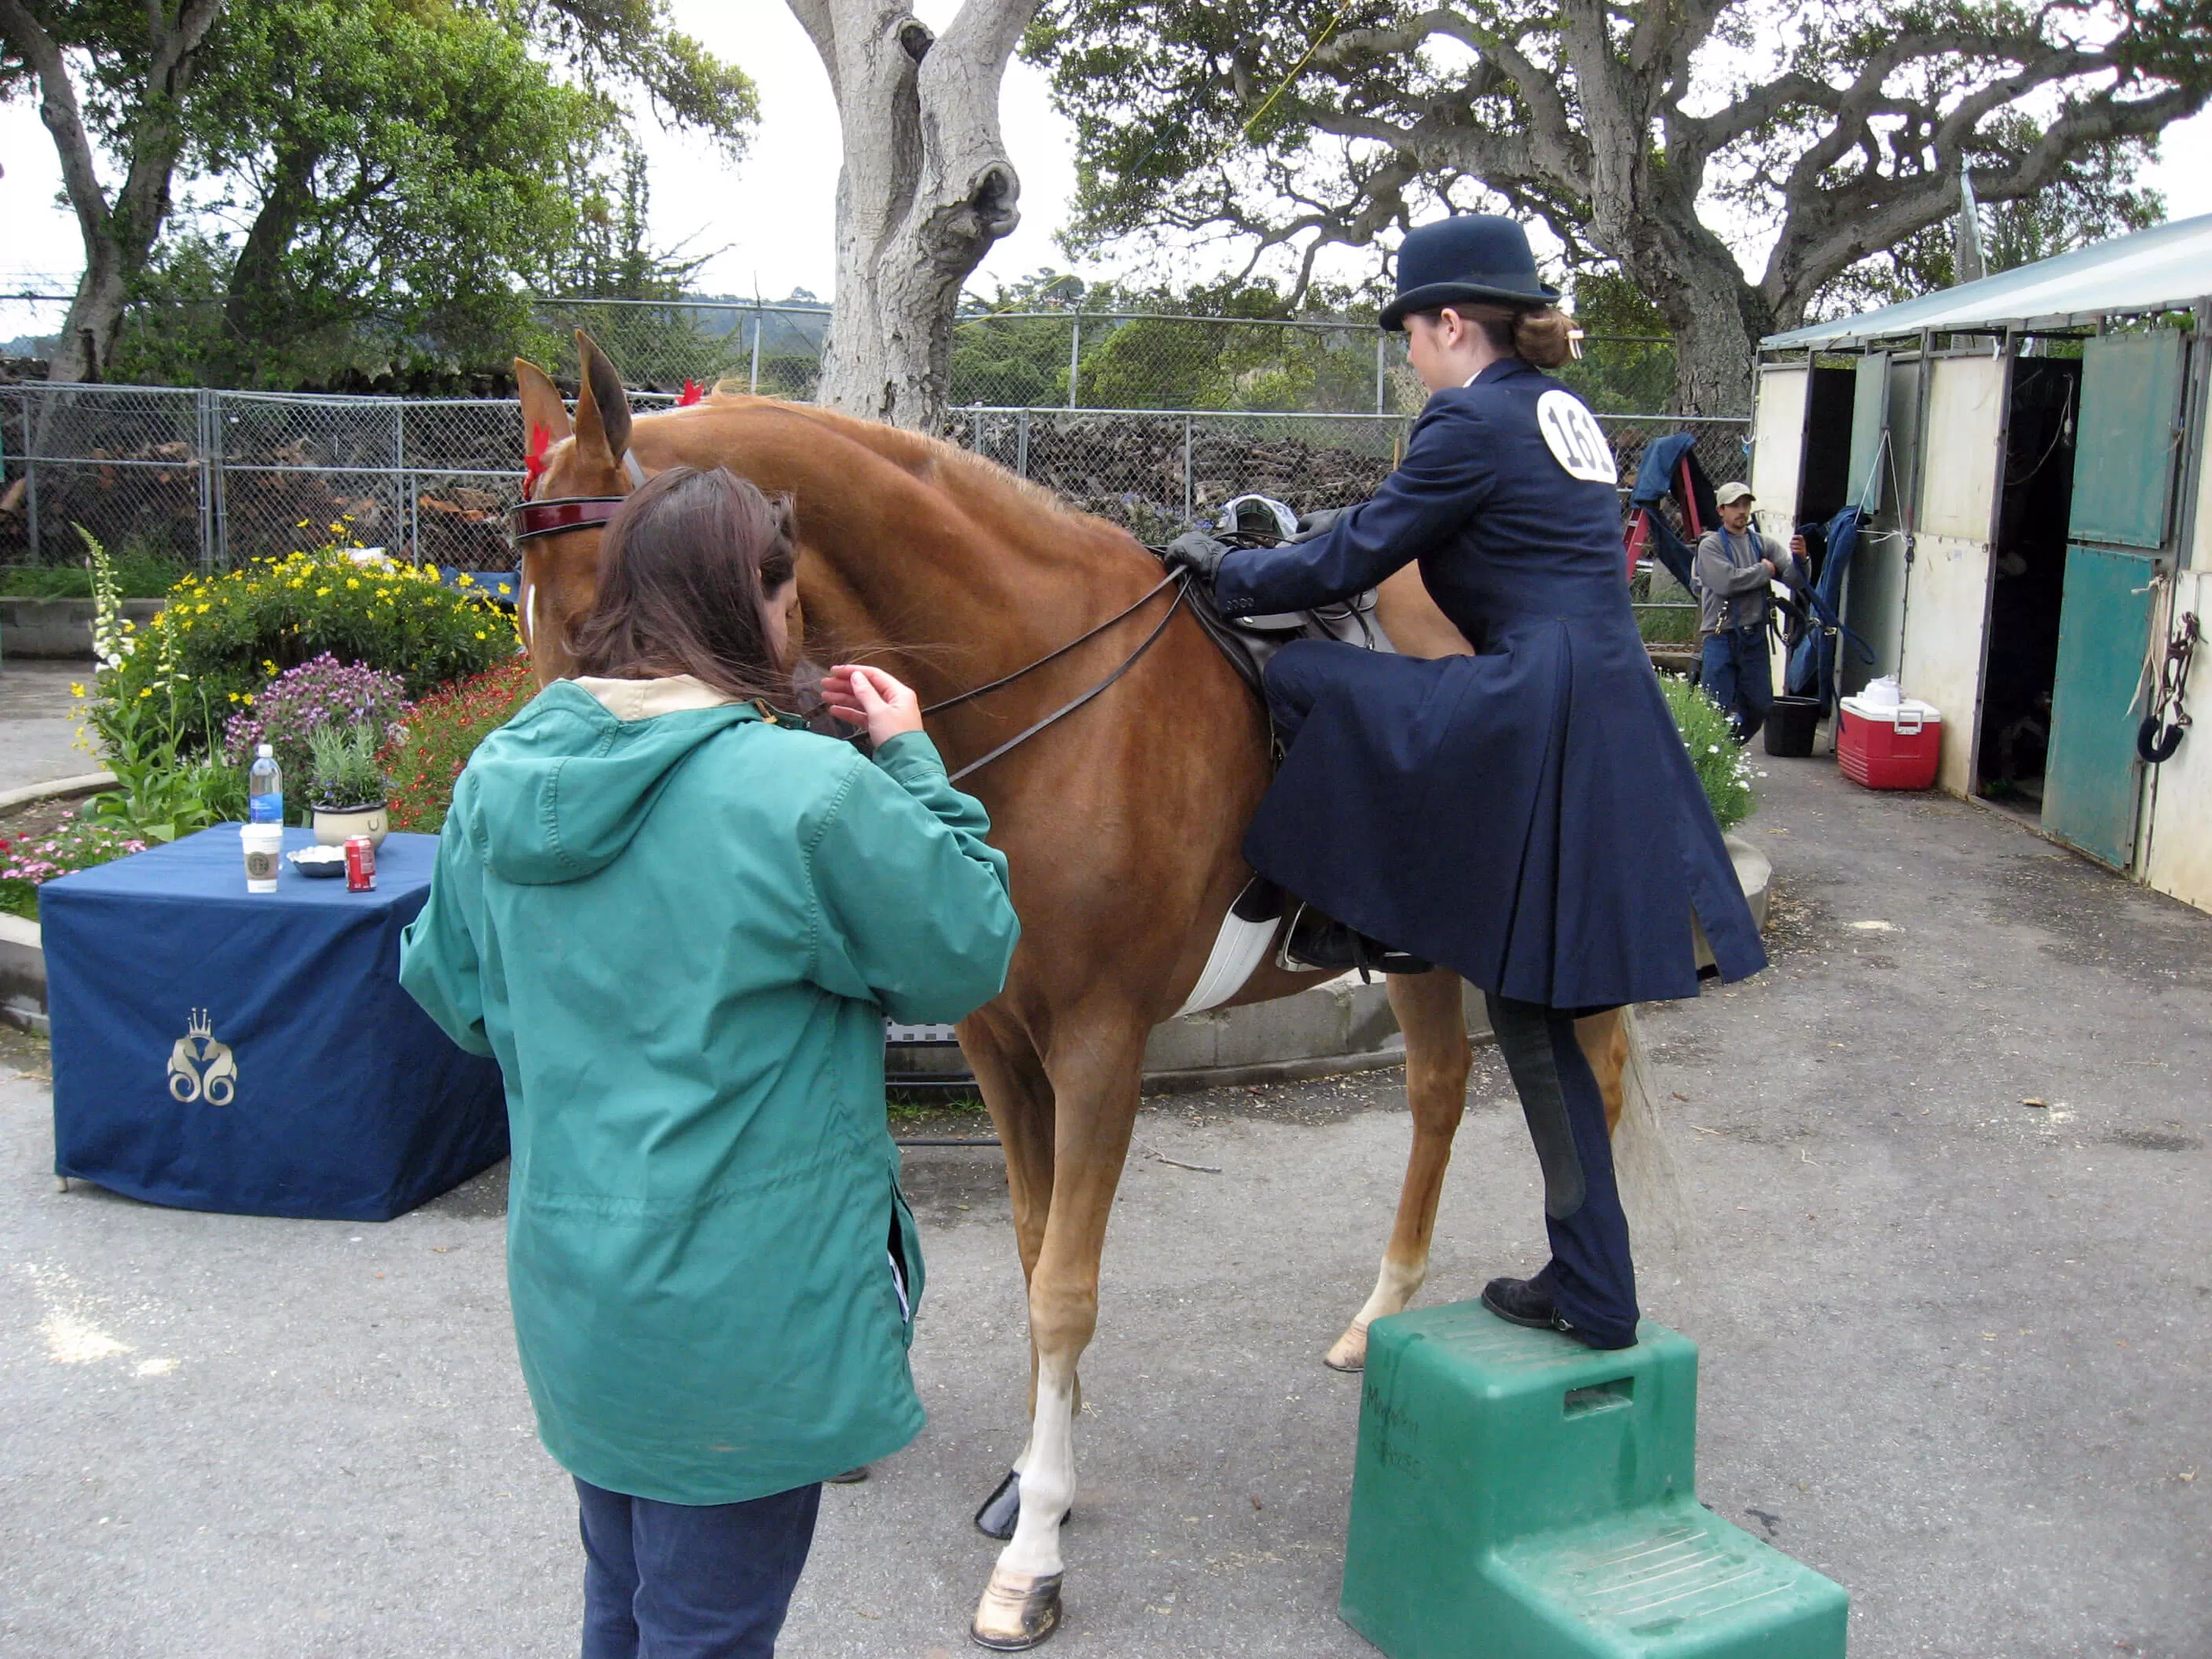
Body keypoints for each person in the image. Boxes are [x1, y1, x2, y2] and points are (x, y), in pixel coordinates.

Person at [398, 465, 1020, 1658]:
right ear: (761, 604)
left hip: (582, 1301)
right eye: (789, 601)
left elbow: (453, 994)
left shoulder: (495, 782)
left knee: (625, 1608)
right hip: (742, 1322)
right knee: (707, 1631)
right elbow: (963, 953)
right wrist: (910, 760)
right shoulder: (806, 794)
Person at [1164, 215, 1765, 1352]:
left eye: (1410, 336)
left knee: (1303, 676)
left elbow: (1352, 558)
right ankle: (1594, 1285)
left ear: (1451, 322)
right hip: (1608, 707)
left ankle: (1352, 908)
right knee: (1539, 1012)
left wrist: (1224, 569)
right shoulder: (1564, 413)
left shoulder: (1467, 418)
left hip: (1530, 710)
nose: (1407, 361)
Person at [1694, 481, 1807, 744]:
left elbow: (1794, 580)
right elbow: (1726, 583)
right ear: (1721, 510)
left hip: (1754, 636)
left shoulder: (1762, 544)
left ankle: (1725, 750)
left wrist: (1801, 560)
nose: (1742, 511)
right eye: (1735, 505)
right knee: (1715, 709)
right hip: (1720, 635)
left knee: (1760, 706)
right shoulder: (1710, 546)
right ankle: (1711, 756)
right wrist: (1764, 571)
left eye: (1745, 505)